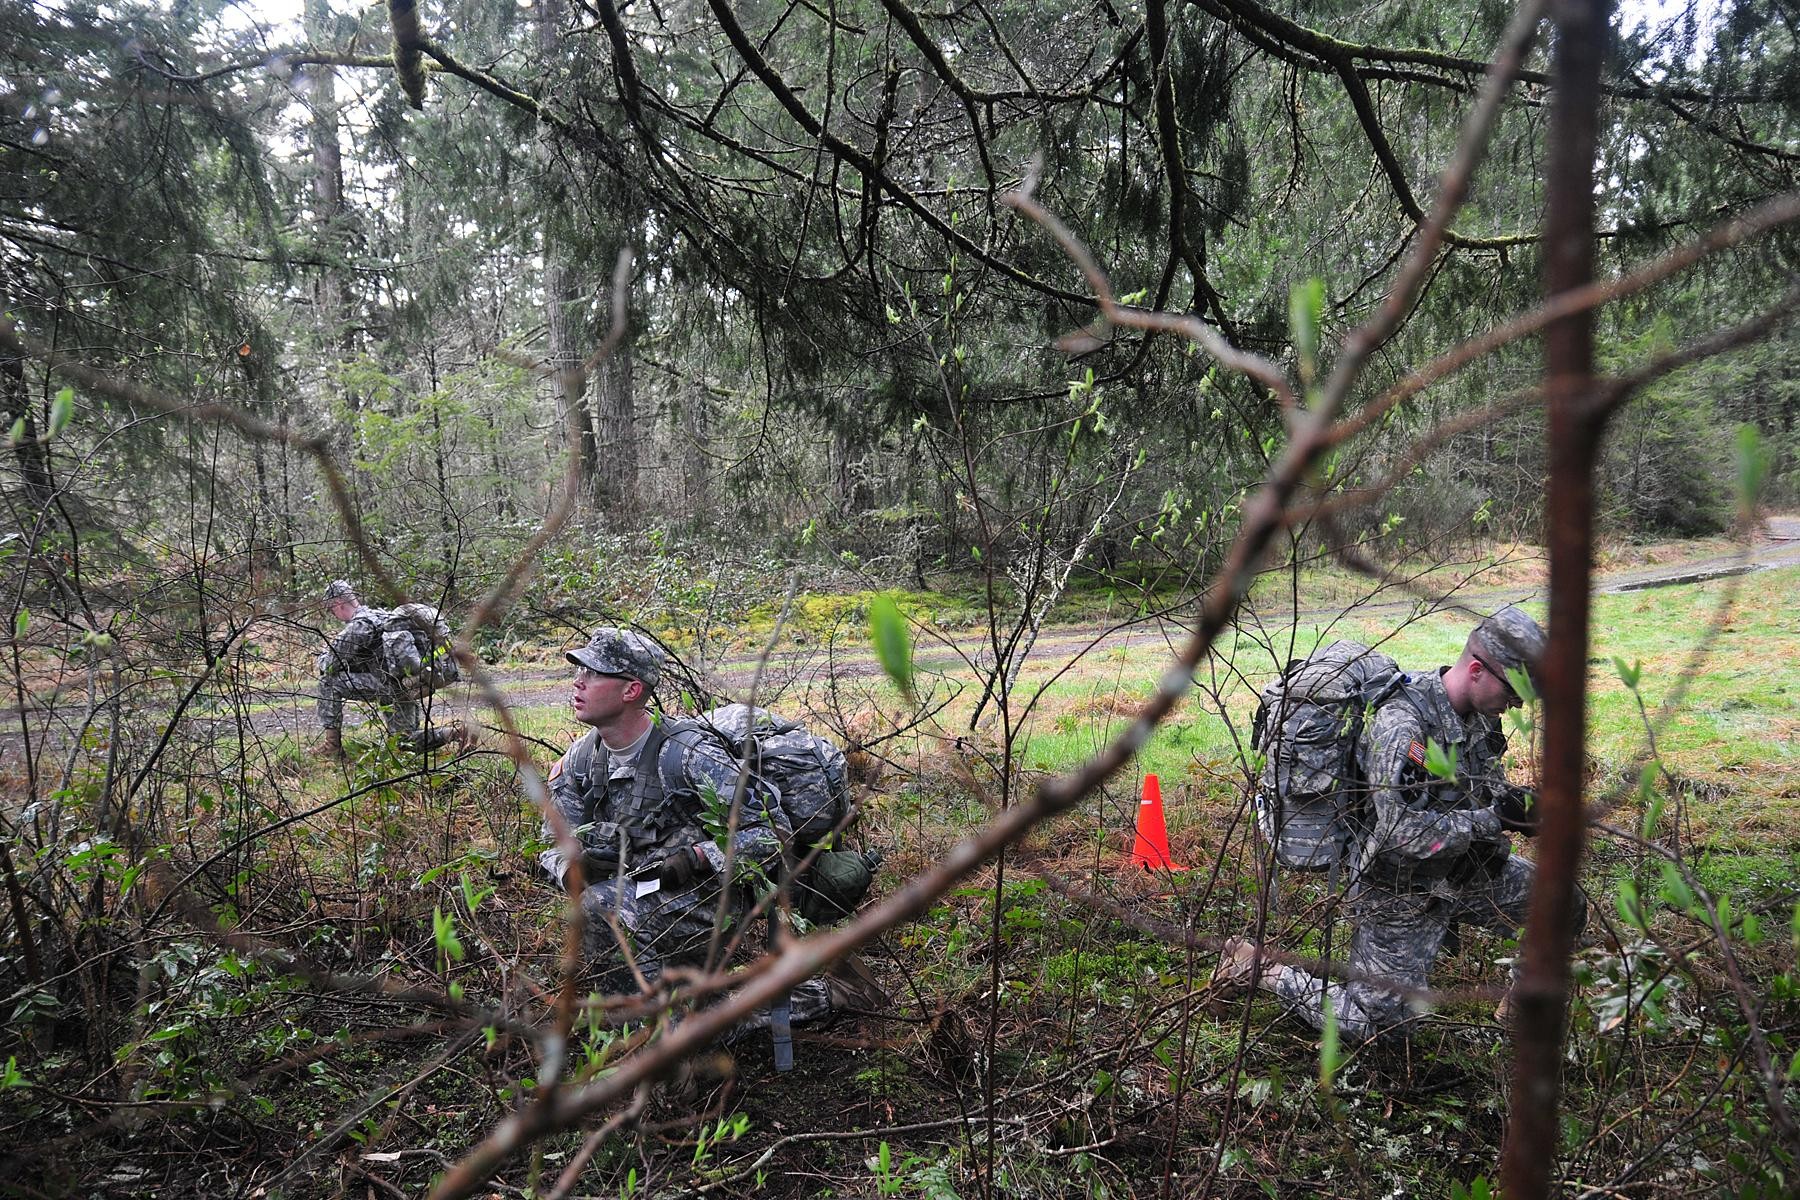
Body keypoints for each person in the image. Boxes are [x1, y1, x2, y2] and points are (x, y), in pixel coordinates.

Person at [1217, 605, 1587, 1039]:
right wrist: (1492, 819)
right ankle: (1262, 969)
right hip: (1398, 890)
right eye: (1514, 692)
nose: (1517, 705)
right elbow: (1401, 833)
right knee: (1384, 1026)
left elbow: (1477, 789)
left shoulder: (1481, 722)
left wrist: (1516, 804)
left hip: (1463, 870)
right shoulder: (1403, 726)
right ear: (1476, 670)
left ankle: (1522, 1021)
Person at [541, 628, 881, 1029]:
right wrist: (571, 869)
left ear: (631, 690)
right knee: (660, 1000)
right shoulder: (578, 762)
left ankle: (658, 1041)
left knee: (601, 913)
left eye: (594, 674)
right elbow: (554, 843)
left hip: (712, 896)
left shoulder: (690, 754)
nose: (578, 683)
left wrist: (696, 859)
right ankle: (831, 993)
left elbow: (770, 834)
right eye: (579, 671)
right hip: (638, 897)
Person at [314, 580, 470, 758]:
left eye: (330, 609)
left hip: (387, 687)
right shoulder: (381, 616)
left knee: (329, 682)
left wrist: (322, 657)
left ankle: (332, 746)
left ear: (338, 604)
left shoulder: (358, 626)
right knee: (404, 743)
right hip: (406, 684)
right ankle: (456, 733)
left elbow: (330, 665)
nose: (332, 613)